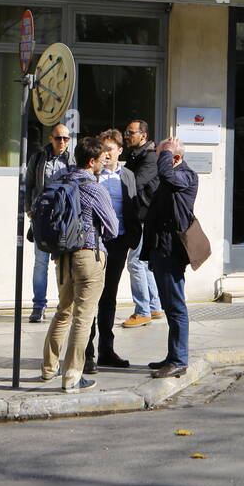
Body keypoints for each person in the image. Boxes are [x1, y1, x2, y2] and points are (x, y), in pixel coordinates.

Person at [40, 136, 118, 392]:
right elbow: (113, 228)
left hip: (62, 256)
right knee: (83, 318)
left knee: (63, 312)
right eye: (101, 159)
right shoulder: (95, 189)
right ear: (92, 161)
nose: (103, 163)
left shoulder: (59, 180)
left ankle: (49, 368)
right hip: (88, 255)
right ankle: (73, 376)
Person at [145, 137, 199, 379]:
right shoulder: (172, 176)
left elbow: (166, 176)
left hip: (171, 251)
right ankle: (172, 355)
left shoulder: (186, 176)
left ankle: (179, 360)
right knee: (168, 305)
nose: (159, 161)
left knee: (176, 307)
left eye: (162, 157)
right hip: (160, 249)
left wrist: (166, 152)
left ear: (175, 158)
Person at [83, 130, 137, 372]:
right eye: (102, 149)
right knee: (91, 297)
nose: (106, 154)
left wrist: (132, 238)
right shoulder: (93, 175)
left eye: (110, 150)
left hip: (119, 243)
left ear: (119, 151)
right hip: (96, 243)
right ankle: (87, 353)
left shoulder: (127, 176)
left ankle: (107, 349)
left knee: (109, 298)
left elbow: (133, 206)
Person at [22, 123, 74, 322]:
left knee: (64, 264)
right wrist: (29, 210)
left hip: (64, 219)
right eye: (58, 138)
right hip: (42, 217)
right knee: (41, 263)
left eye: (66, 138)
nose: (62, 142)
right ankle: (38, 306)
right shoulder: (39, 158)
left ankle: (64, 306)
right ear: (50, 138)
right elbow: (28, 186)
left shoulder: (72, 158)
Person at [119, 119, 164, 327]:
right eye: (126, 132)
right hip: (142, 216)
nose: (127, 135)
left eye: (131, 132)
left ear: (143, 136)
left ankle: (142, 310)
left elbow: (134, 184)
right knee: (143, 264)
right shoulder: (136, 155)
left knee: (135, 263)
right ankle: (154, 307)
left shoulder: (150, 158)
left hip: (144, 217)